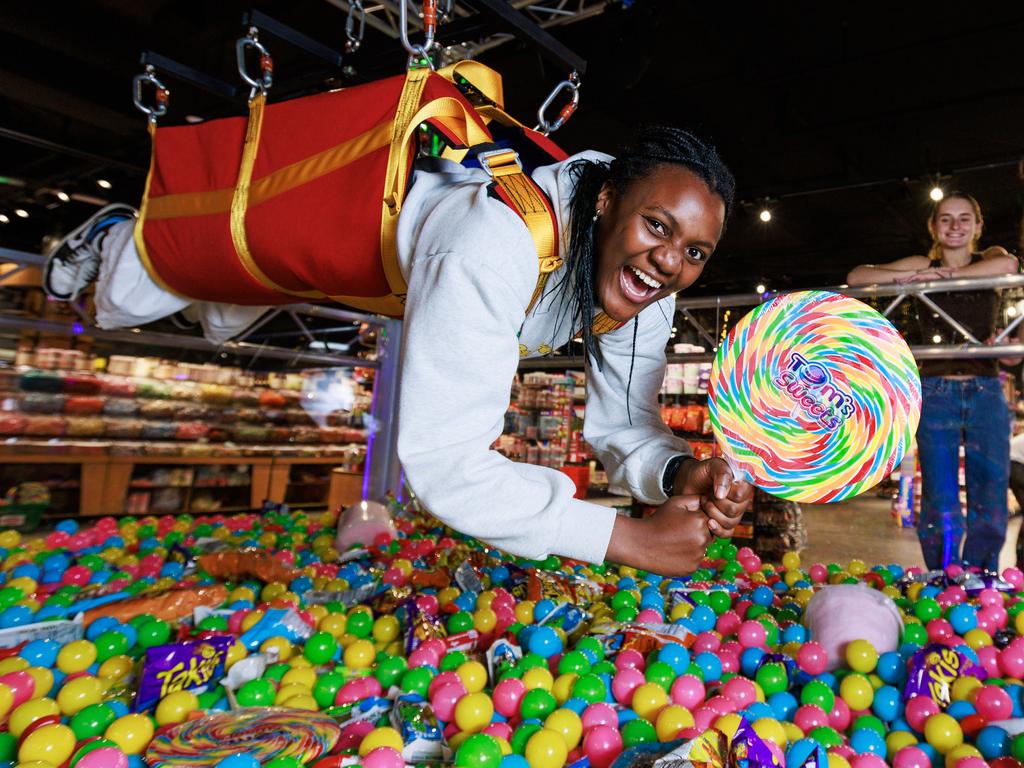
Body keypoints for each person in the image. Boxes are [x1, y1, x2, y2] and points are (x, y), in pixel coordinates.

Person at [44, 126, 753, 575]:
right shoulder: (496, 242)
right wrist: (622, 540)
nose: (668, 262)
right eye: (657, 226)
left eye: (694, 252)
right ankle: (112, 236)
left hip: (376, 282)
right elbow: (444, 466)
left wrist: (678, 472)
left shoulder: (641, 292)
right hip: (325, 227)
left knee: (221, 313)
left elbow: (624, 425)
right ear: (605, 203)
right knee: (163, 278)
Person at [846, 192, 1019, 571]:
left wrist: (949, 277)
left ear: (977, 225)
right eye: (945, 219)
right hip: (935, 391)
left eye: (964, 218)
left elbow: (1009, 263)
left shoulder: (989, 258)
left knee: (990, 495)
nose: (955, 226)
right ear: (934, 226)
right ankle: (944, 575)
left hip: (986, 390)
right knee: (940, 497)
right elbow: (857, 276)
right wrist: (914, 276)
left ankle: (979, 576)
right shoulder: (925, 261)